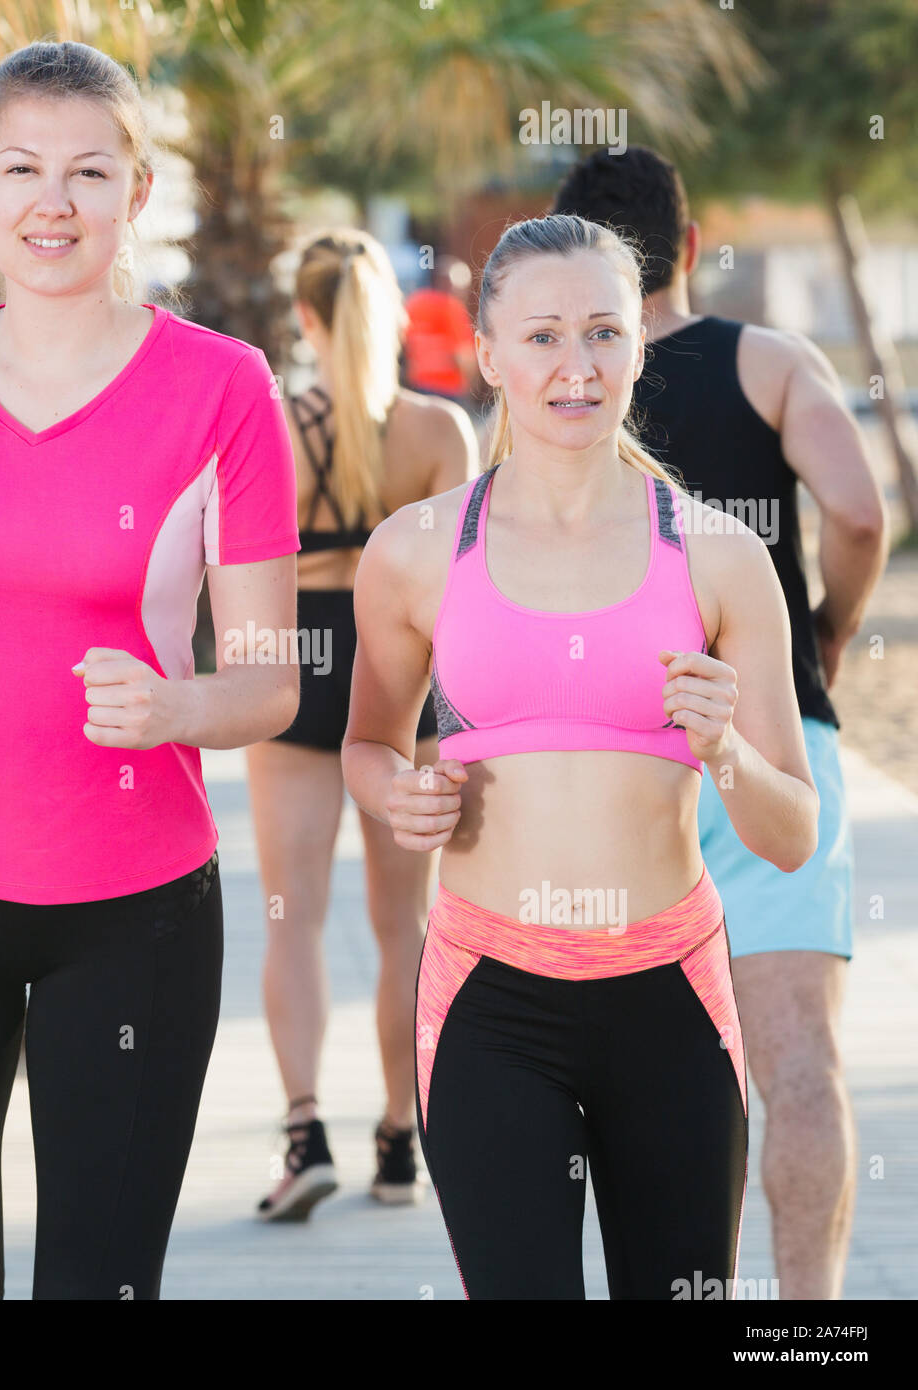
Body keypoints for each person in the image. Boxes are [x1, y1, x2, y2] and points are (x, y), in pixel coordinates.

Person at [0, 40, 300, 1300]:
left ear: (137, 193)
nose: (53, 201)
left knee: (100, 1280)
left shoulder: (222, 389)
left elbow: (268, 676)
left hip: (133, 903)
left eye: (90, 172)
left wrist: (179, 704)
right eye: (22, 166)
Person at [343, 213, 821, 1299]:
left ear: (638, 344)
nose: (575, 366)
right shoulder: (415, 550)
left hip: (669, 998)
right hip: (486, 1001)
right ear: (489, 353)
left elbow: (790, 835)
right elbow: (366, 745)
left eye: (603, 332)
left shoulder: (717, 554)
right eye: (544, 336)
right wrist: (398, 795)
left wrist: (724, 754)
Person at [552, 146, 887, 1299]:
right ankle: (803, 1324)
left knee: (635, 1077)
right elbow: (850, 508)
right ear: (687, 249)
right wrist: (827, 627)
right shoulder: (768, 363)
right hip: (772, 738)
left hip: (605, 761)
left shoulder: (563, 385)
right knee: (797, 1062)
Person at [247, 231, 477, 1221]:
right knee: (404, 927)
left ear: (302, 318)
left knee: (288, 917)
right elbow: (461, 593)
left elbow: (239, 571)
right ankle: (398, 1133)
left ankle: (302, 1133)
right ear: (387, 316)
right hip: (401, 667)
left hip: (296, 661)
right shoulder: (434, 432)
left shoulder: (264, 424)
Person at [402, 255, 478, 412]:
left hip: (417, 386)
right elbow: (463, 356)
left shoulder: (414, 303)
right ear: (451, 284)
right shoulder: (451, 308)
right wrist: (472, 388)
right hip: (447, 390)